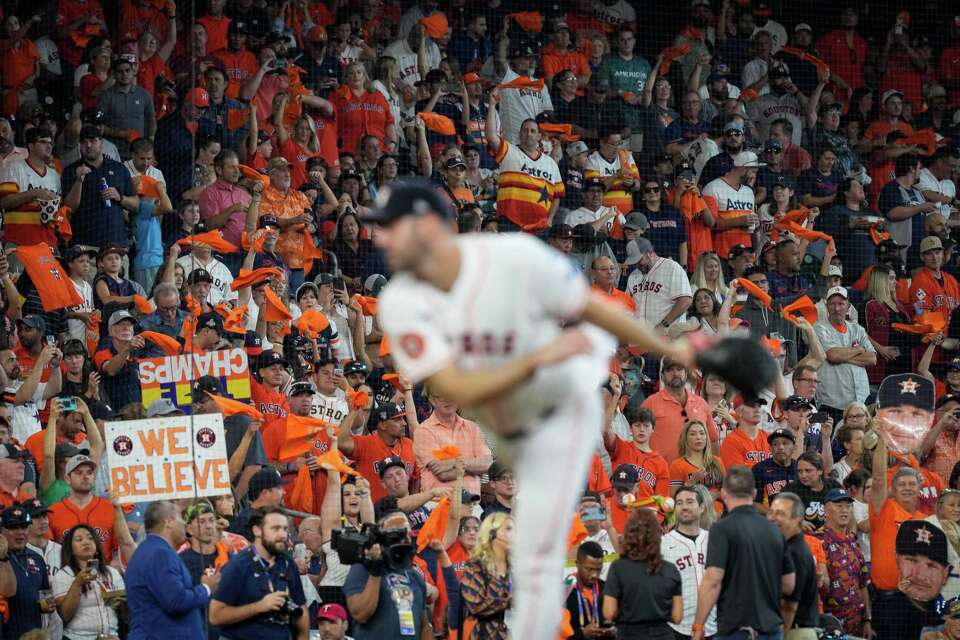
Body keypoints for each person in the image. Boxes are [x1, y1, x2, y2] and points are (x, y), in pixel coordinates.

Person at [372, 181, 696, 639]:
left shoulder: (514, 257)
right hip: (505, 418)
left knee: (541, 569)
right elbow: (451, 384)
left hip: (559, 410)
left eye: (390, 229)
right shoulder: (401, 301)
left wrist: (672, 347)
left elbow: (590, 306)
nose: (381, 240)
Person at [691, 466, 796, 640]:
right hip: (770, 628)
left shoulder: (721, 528)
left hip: (736, 629)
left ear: (724, 494)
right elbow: (789, 584)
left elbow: (713, 579)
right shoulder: (775, 530)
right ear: (754, 494)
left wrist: (698, 625)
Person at [210, 506, 309, 639]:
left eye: (285, 529)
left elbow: (301, 609)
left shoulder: (287, 563)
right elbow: (215, 616)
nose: (282, 535)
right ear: (257, 530)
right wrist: (259, 606)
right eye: (275, 529)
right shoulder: (238, 566)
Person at [126, 501, 218, 639]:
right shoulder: (160, 554)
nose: (183, 524)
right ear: (168, 521)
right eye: (180, 518)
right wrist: (206, 588)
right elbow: (176, 601)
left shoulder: (148, 549)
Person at [343, 508, 434, 639]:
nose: (406, 539)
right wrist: (375, 571)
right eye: (399, 534)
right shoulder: (363, 569)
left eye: (408, 533)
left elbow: (424, 625)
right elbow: (360, 614)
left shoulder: (415, 576)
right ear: (383, 537)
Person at [602, 508, 682, 639]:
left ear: (629, 534)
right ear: (658, 535)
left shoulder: (618, 568)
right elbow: (677, 617)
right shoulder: (670, 569)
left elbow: (609, 612)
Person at [875, 520, 950, 640]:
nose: (920, 576)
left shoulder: (949, 614)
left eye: (931, 565)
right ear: (896, 560)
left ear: (945, 574)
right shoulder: (886, 611)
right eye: (911, 560)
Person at [53, 522, 126, 640]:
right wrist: (78, 583)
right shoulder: (63, 575)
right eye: (79, 539)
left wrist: (121, 603)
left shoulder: (112, 573)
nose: (86, 542)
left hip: (111, 637)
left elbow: (125, 615)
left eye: (90, 538)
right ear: (70, 549)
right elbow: (64, 615)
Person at [661, 485, 717, 638]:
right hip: (676, 627)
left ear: (702, 507)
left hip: (712, 626)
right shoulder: (663, 543)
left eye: (690, 502)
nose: (684, 507)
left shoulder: (715, 541)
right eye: (679, 503)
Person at [814, 286, 876, 421]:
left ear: (848, 306)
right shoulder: (819, 328)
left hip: (860, 401)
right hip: (832, 402)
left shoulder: (858, 329)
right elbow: (833, 356)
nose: (837, 308)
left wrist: (842, 356)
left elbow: (872, 358)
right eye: (832, 304)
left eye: (841, 303)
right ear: (826, 306)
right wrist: (859, 350)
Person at [818, 488, 871, 636]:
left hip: (858, 626)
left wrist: (868, 620)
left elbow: (863, 585)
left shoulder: (853, 543)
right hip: (830, 627)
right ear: (826, 510)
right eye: (838, 505)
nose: (844, 510)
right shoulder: (817, 542)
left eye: (848, 506)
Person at [767, 492, 821, 637]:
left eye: (780, 513)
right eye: (771, 512)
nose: (772, 518)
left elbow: (790, 604)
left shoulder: (794, 552)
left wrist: (781, 636)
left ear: (797, 519)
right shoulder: (788, 547)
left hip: (795, 631)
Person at [2, 503, 54, 636]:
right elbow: (7, 592)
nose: (20, 532)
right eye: (13, 527)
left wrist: (46, 605)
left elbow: (44, 593)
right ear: (1, 531)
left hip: (33, 634)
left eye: (24, 527)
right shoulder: (1, 559)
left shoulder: (36, 558)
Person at [625, 238, 693, 331]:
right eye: (634, 262)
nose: (637, 265)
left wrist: (663, 325)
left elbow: (685, 301)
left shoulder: (672, 268)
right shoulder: (633, 276)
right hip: (641, 338)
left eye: (639, 260)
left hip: (669, 336)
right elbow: (628, 306)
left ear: (649, 253)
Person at [782, 451, 840, 532]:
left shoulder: (834, 486)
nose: (803, 475)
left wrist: (851, 534)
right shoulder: (790, 490)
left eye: (808, 470)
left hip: (831, 538)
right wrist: (797, 523)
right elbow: (778, 515)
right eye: (799, 471)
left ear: (820, 471)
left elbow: (849, 512)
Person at [564, 540, 607, 640]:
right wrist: (582, 635)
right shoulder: (564, 592)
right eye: (589, 569)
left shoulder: (606, 589)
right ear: (577, 564)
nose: (594, 575)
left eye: (598, 569)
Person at [753, 428, 799, 505]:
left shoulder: (800, 468)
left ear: (794, 448)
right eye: (775, 444)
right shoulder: (759, 469)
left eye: (785, 443)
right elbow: (753, 503)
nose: (780, 447)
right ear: (770, 448)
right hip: (768, 516)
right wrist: (775, 513)